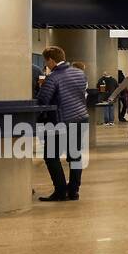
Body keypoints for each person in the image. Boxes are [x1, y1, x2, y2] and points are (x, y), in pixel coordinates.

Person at [35, 46, 89, 202]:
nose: (47, 64)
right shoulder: (79, 73)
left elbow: (43, 99)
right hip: (81, 119)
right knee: (75, 156)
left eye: (46, 61)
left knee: (51, 156)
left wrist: (41, 87)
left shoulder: (53, 77)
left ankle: (60, 191)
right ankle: (73, 191)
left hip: (61, 121)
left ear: (51, 60)